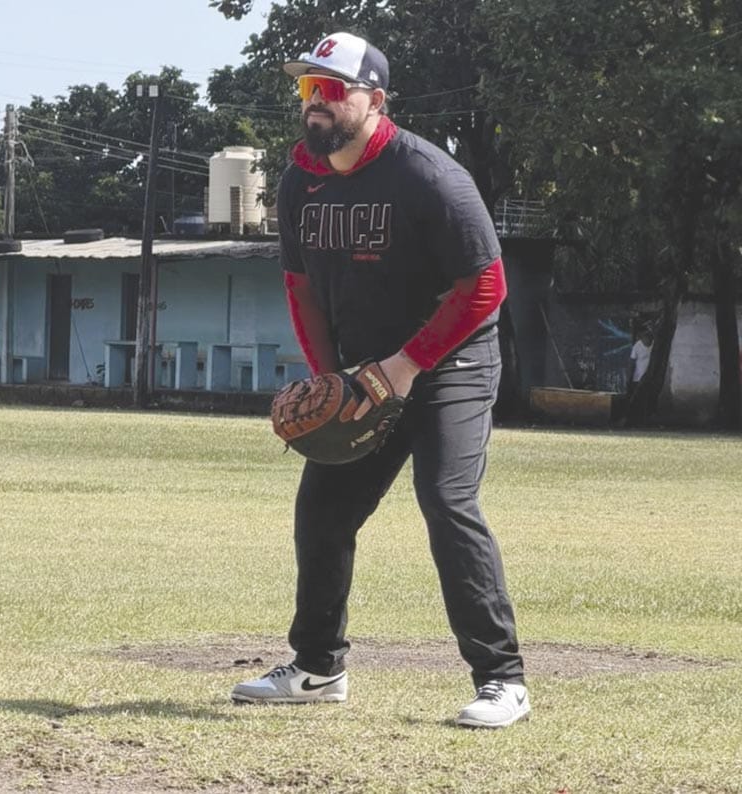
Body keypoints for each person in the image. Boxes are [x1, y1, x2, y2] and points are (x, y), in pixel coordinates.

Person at [231, 32, 529, 729]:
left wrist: (405, 365)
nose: (317, 102)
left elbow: (486, 286)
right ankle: (317, 669)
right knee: (323, 512)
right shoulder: (302, 178)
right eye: (309, 89)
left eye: (332, 89)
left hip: (450, 361)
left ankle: (503, 680)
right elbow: (301, 288)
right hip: (364, 370)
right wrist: (329, 374)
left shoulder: (426, 174)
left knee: (446, 501)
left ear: (375, 100)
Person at [628, 326, 654, 398]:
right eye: (646, 337)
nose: (648, 340)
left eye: (649, 337)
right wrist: (629, 378)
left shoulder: (654, 344)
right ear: (642, 337)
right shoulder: (637, 346)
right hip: (638, 379)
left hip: (650, 378)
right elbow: (631, 363)